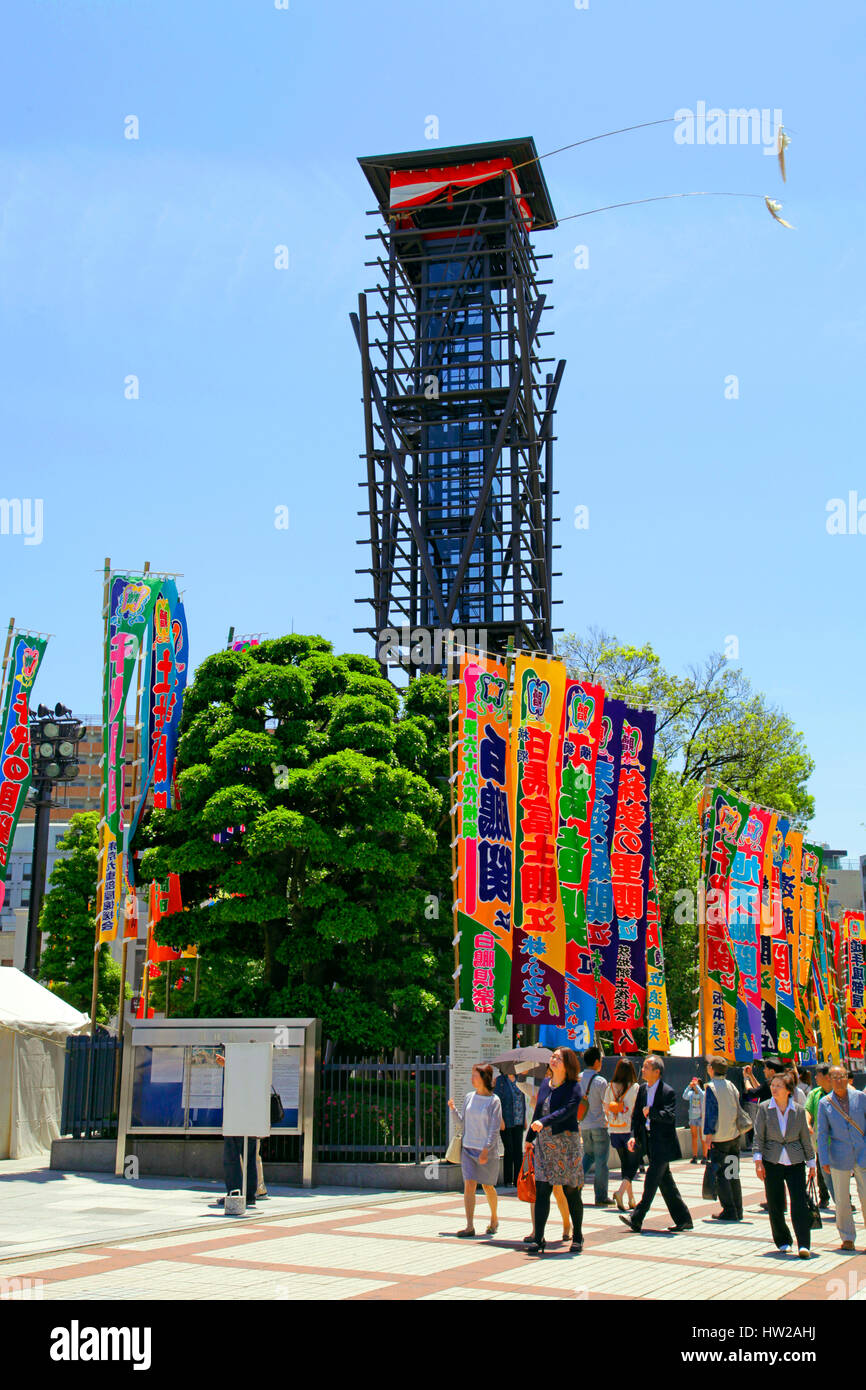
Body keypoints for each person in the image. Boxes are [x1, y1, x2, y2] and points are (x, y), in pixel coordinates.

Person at [618, 1055, 693, 1234]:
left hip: (664, 1144)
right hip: (649, 1142)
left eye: (646, 1067)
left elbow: (670, 1116)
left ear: (656, 1072)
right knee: (666, 1183)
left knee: (651, 1180)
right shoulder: (642, 1090)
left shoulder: (668, 1092)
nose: (642, 1070)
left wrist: (652, 1112)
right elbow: (636, 1117)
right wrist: (633, 1136)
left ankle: (636, 1218)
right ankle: (684, 1219)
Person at [525, 1046, 585, 1256]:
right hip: (544, 1144)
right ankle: (538, 1238)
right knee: (542, 1190)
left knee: (571, 1191)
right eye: (553, 1057)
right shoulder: (545, 1084)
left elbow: (567, 1111)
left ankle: (577, 1236)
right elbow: (538, 1110)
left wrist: (544, 1121)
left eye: (558, 1058)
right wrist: (529, 1137)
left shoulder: (573, 1087)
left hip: (567, 1145)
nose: (554, 1060)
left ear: (568, 1064)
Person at [753, 1070, 816, 1259]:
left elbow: (805, 1138)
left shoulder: (798, 1110)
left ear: (789, 1090)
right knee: (775, 1202)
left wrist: (812, 1163)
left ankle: (804, 1244)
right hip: (772, 1161)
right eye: (772, 1085)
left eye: (778, 1086)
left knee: (799, 1203)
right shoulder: (764, 1109)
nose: (774, 1089)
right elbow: (759, 1137)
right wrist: (758, 1162)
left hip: (795, 1161)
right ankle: (783, 1240)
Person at [448, 1063, 503, 1237]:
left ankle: (494, 1218)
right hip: (468, 1148)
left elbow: (494, 1129)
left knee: (488, 1186)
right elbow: (462, 1123)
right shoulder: (469, 1097)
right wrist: (453, 1110)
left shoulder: (494, 1101)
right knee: (469, 1185)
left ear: (484, 1078)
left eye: (475, 1075)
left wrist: (486, 1149)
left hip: (486, 1151)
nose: (472, 1079)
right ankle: (469, 1225)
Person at [817, 1064, 866, 1252]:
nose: (839, 1080)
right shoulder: (825, 1103)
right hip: (838, 1155)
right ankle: (847, 1237)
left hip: (862, 1153)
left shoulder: (861, 1098)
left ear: (848, 1078)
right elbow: (822, 1133)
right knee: (842, 1199)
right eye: (835, 1077)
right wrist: (824, 1160)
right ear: (829, 1079)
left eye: (842, 1076)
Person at [701, 1056, 752, 1222]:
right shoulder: (731, 1085)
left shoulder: (711, 1087)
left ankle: (729, 1210)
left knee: (721, 1174)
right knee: (733, 1173)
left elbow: (711, 1112)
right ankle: (738, 1208)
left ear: (711, 1069)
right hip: (734, 1136)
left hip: (719, 1137)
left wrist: (708, 1136)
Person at [604, 1057, 640, 1211]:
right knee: (633, 1164)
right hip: (629, 1130)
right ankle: (620, 1192)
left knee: (625, 1164)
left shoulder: (610, 1086)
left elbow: (606, 1106)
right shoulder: (635, 1087)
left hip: (614, 1129)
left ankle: (631, 1198)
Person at [578, 1046, 612, 1206]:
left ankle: (575, 1187)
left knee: (588, 1156)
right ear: (597, 1061)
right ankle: (601, 1196)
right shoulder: (600, 1081)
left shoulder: (578, 1078)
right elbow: (606, 1103)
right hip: (599, 1124)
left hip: (584, 1125)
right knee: (601, 1162)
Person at [805, 1065, 834, 1209]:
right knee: (822, 1171)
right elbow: (807, 1110)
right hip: (821, 1141)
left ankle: (845, 1199)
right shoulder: (815, 1094)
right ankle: (824, 1197)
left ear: (827, 1077)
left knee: (839, 1172)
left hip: (838, 1142)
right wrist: (807, 1123)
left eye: (818, 1075)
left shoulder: (839, 1093)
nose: (815, 1077)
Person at [493, 1066, 526, 1189]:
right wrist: (500, 1118)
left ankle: (518, 1179)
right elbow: (497, 1100)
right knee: (509, 1149)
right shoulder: (500, 1081)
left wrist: (525, 1119)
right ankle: (508, 1180)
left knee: (518, 1150)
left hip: (519, 1119)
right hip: (506, 1119)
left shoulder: (519, 1079)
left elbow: (522, 1099)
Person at [211, 1136, 259, 1210]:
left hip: (234, 1127)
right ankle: (249, 1195)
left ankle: (235, 1194)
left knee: (232, 1158)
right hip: (252, 1127)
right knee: (250, 1159)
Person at [683, 1075, 708, 1163]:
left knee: (702, 1137)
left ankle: (705, 1156)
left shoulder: (703, 1092)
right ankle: (695, 1156)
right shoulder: (691, 1094)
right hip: (693, 1117)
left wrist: (696, 1085)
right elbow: (684, 1096)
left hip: (701, 1117)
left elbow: (702, 1095)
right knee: (694, 1137)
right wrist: (689, 1086)